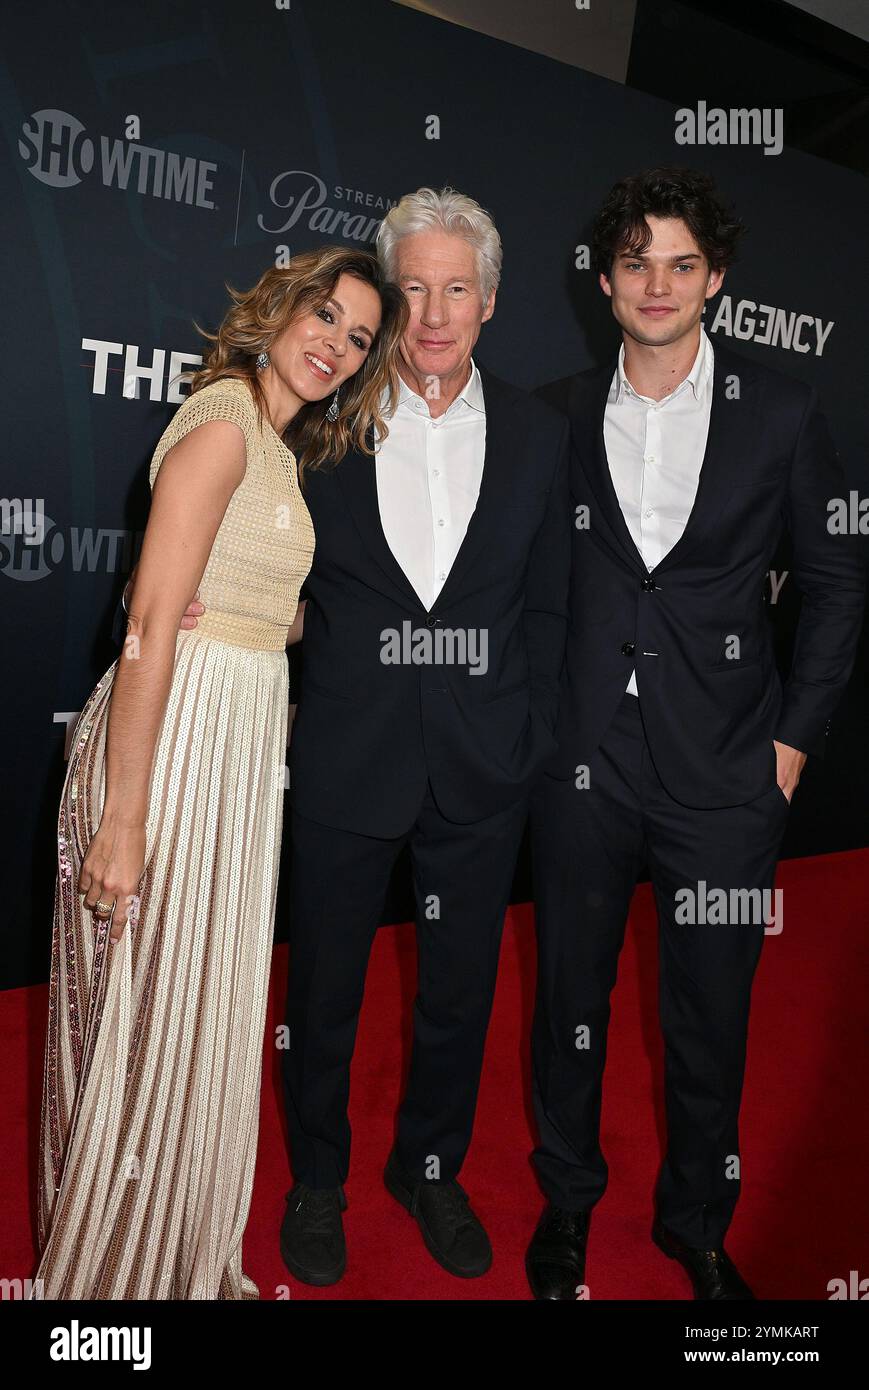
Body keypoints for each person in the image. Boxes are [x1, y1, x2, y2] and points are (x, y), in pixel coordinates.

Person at [180, 187, 571, 1286]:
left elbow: (549, 604)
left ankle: (429, 1168)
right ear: (385, 299)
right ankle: (317, 1179)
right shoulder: (320, 419)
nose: (433, 311)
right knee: (324, 994)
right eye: (411, 288)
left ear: (489, 301)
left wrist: (528, 735)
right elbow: (253, 542)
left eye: (456, 287)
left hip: (485, 764)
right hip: (350, 758)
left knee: (459, 989)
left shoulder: (543, 435)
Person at [32, 247, 407, 1299]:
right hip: (179, 745)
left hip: (235, 748)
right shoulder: (222, 421)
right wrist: (124, 816)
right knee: (151, 1021)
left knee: (200, 1015)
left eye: (357, 335)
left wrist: (274, 622)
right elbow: (151, 624)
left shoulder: (281, 453)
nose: (334, 343)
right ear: (280, 309)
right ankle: (114, 1288)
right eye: (323, 314)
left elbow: (246, 597)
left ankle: (178, 1261)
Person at [525, 167, 865, 1300]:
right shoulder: (559, 412)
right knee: (568, 996)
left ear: (713, 279)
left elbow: (833, 582)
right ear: (605, 282)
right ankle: (566, 1203)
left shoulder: (779, 411)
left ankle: (694, 1223)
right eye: (635, 263)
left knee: (710, 1011)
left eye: (679, 263)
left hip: (725, 771)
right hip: (583, 765)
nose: (655, 284)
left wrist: (790, 745)